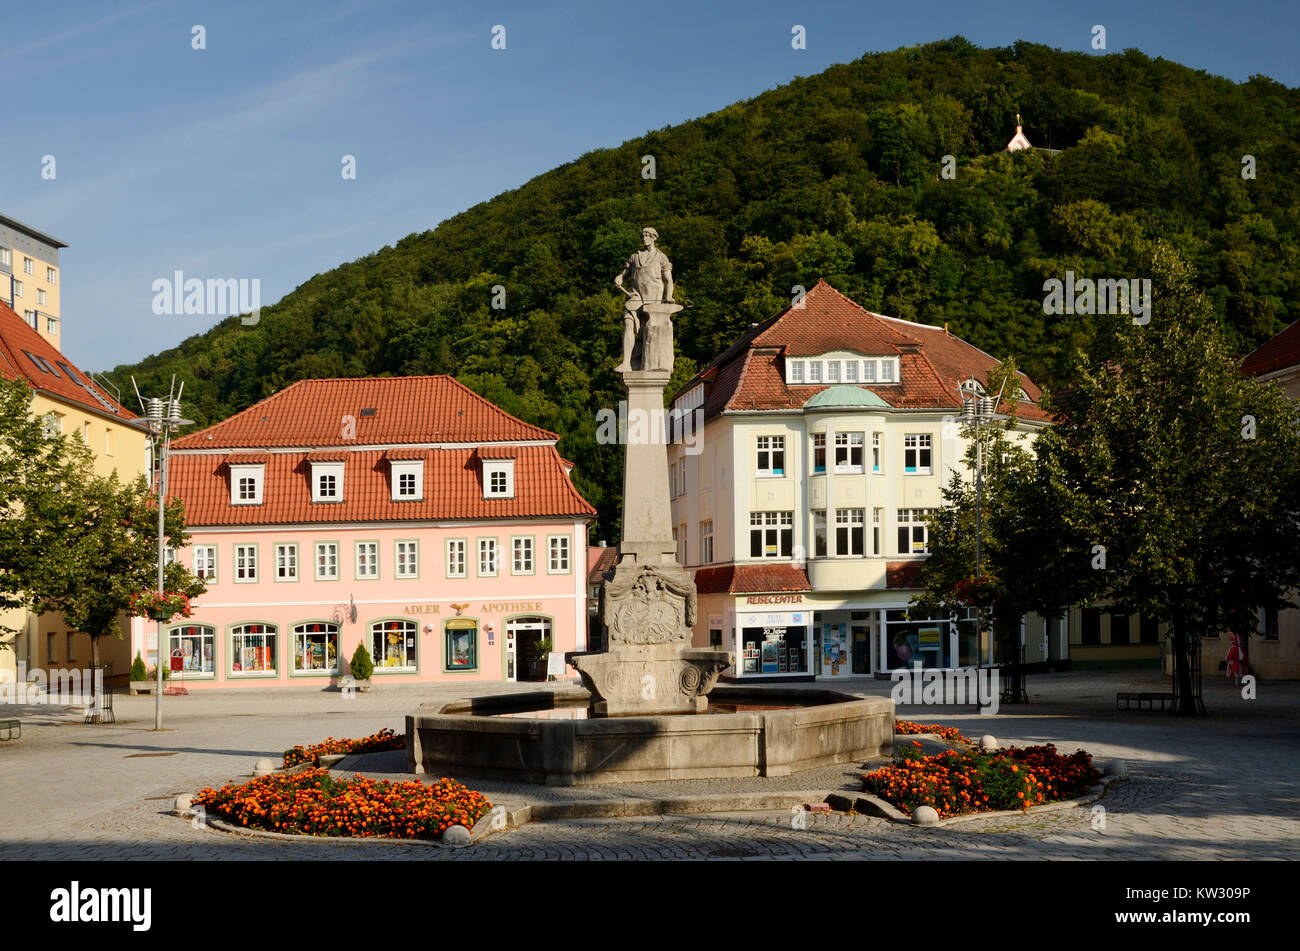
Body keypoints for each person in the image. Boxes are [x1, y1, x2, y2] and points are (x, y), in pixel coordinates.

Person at [614, 227, 673, 371]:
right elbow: (625, 273)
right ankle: (626, 362)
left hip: (653, 301)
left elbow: (668, 280)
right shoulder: (634, 257)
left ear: (653, 237)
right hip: (636, 297)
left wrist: (668, 297)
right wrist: (619, 278)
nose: (644, 238)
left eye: (647, 235)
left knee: (647, 333)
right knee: (628, 322)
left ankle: (645, 363)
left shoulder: (661, 257)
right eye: (642, 236)